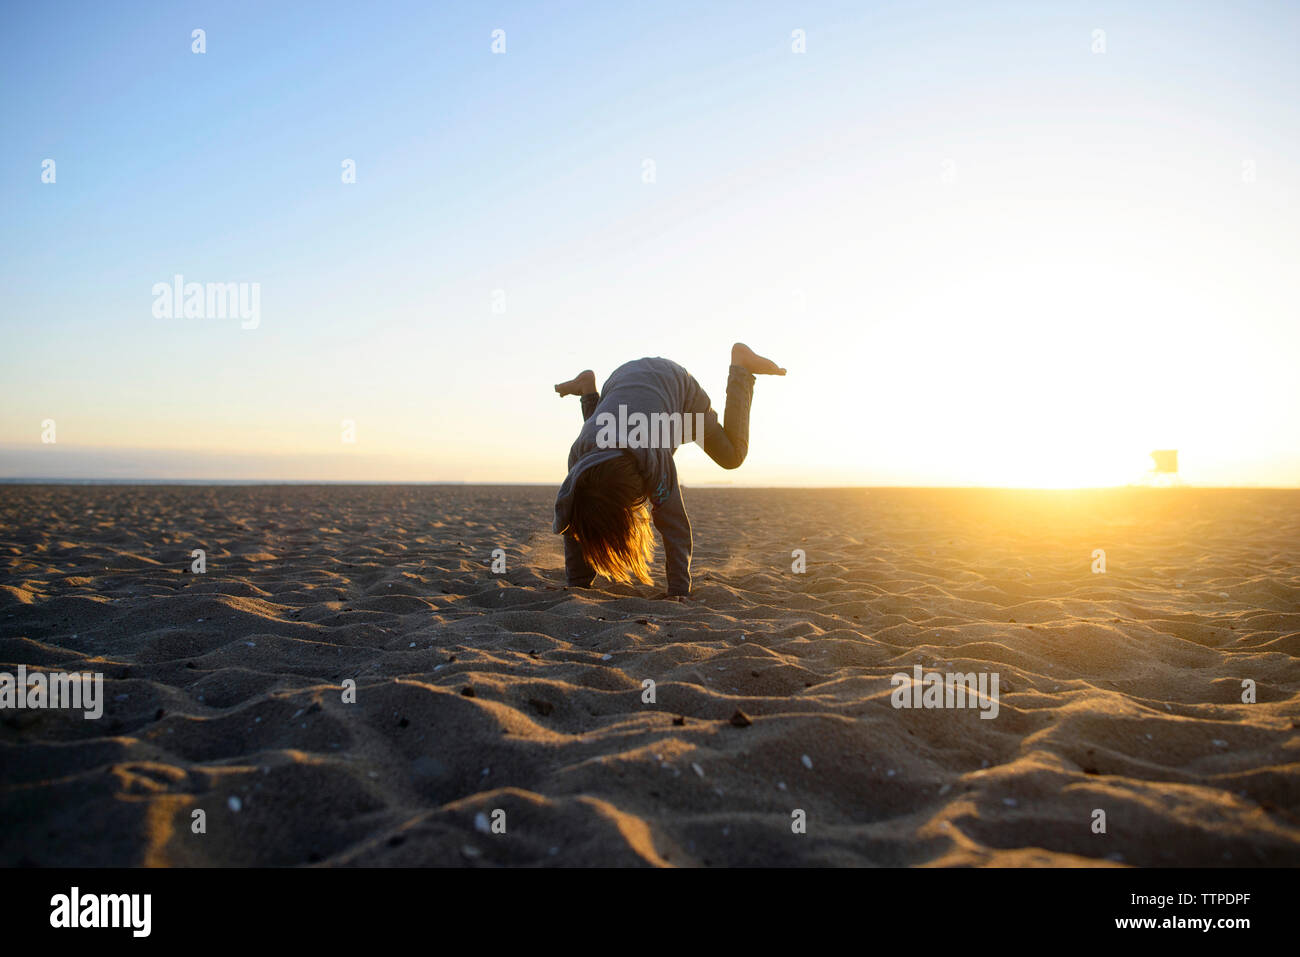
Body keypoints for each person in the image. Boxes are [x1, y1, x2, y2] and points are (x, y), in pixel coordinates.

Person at [552, 342, 786, 600]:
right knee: (603, 433)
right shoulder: (579, 465)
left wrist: (678, 590)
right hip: (621, 381)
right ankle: (588, 388)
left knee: (731, 456)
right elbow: (576, 521)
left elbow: (674, 525)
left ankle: (740, 367)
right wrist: (577, 584)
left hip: (681, 396)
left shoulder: (653, 460)